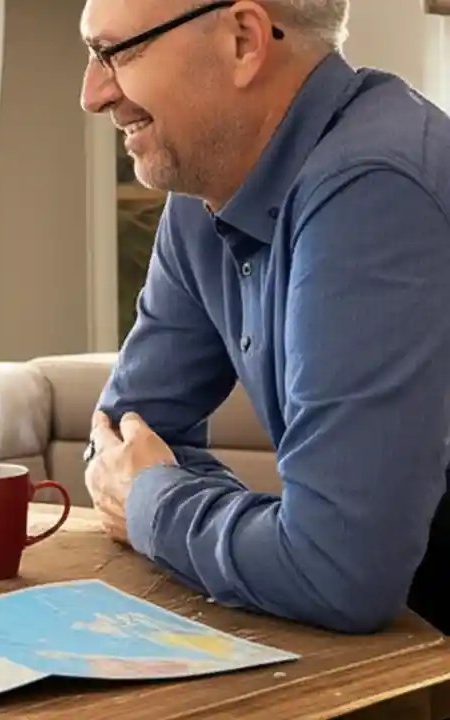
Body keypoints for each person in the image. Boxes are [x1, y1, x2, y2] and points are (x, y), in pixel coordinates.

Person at [78, 0, 450, 636]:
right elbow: (119, 446)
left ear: (245, 40)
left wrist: (156, 504)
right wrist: (261, 541)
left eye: (118, 53)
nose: (93, 92)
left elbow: (340, 571)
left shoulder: (374, 187)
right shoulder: (203, 196)